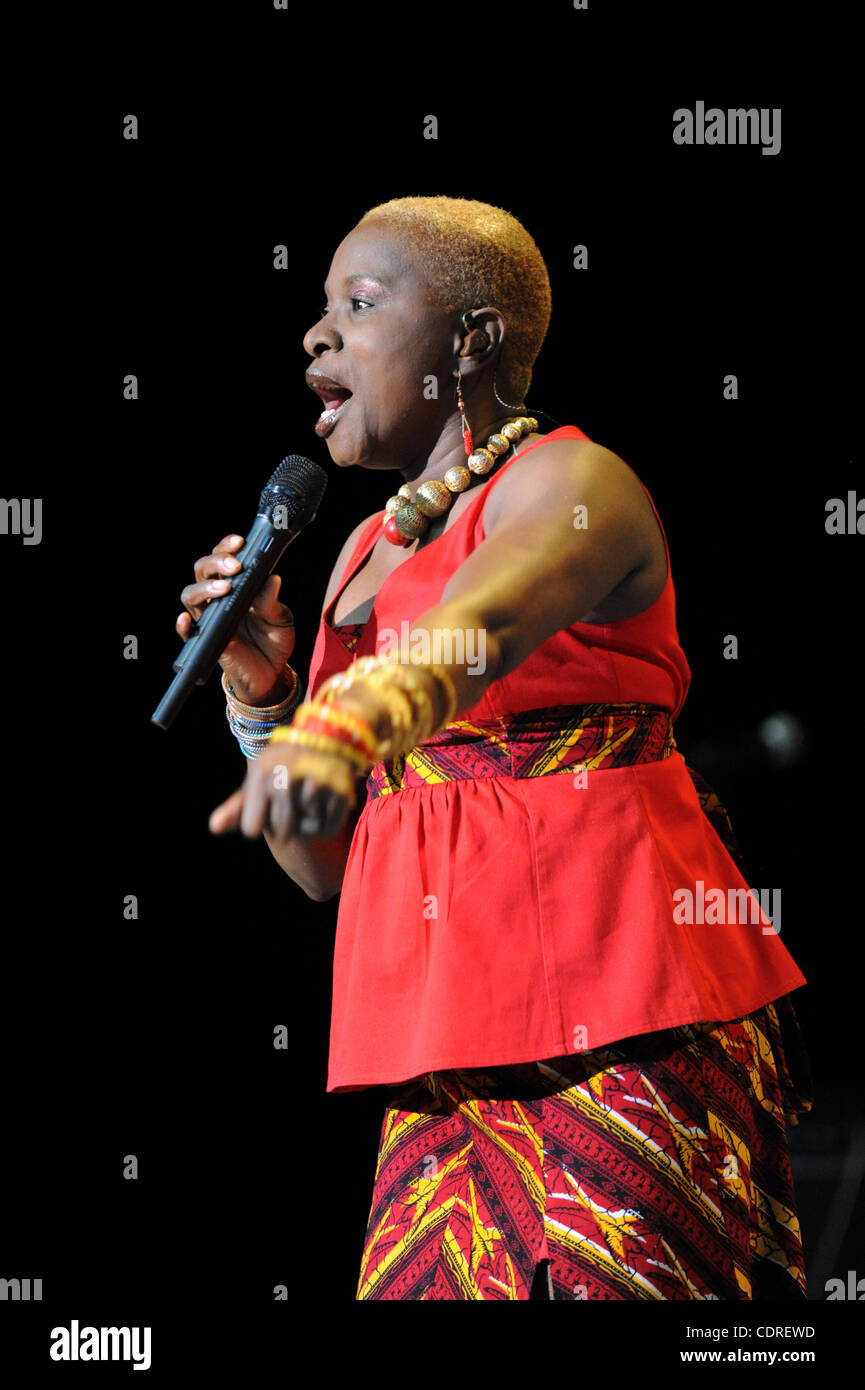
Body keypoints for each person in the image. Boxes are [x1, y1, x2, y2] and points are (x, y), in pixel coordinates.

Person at [178, 196, 812, 1301]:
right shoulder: (360, 559)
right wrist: (264, 698)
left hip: (621, 1021)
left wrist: (350, 716)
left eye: (360, 305)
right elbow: (326, 867)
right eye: (319, 309)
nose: (316, 336)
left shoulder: (573, 487)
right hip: (438, 1059)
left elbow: (477, 630)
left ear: (470, 340)